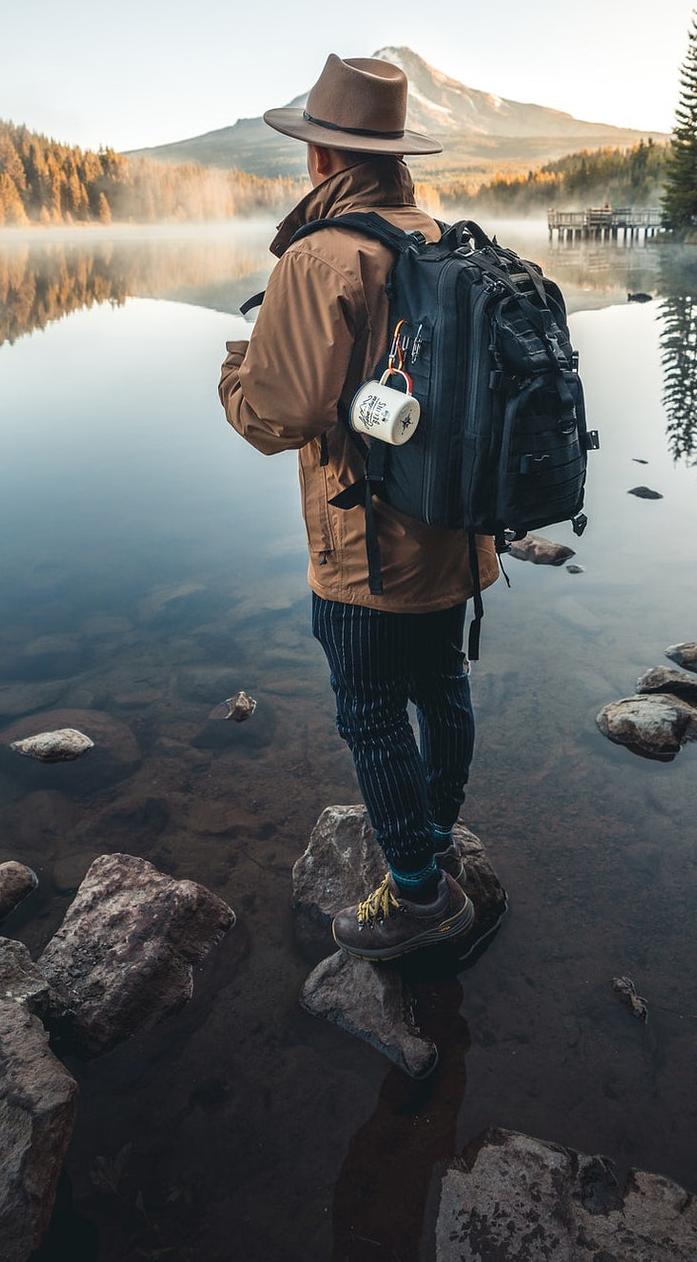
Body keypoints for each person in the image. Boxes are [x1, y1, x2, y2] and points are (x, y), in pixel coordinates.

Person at [219, 53, 499, 960]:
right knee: (442, 688)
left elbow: (278, 417)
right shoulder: (445, 235)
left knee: (370, 711)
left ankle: (419, 894)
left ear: (322, 160)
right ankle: (436, 839)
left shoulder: (322, 254)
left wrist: (234, 374)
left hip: (367, 547)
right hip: (458, 532)